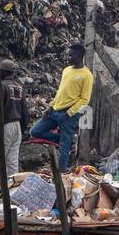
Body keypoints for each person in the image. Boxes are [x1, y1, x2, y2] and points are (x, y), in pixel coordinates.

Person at [28, 43, 92, 171]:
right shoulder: (66, 70)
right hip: (55, 110)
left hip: (69, 114)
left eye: (71, 55)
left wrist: (69, 113)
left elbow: (84, 99)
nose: (68, 58)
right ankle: (67, 140)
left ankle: (61, 173)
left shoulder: (87, 75)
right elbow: (60, 91)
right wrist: (50, 107)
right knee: (35, 131)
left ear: (79, 56)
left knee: (64, 148)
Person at [0, 59, 28, 183]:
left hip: (4, 126)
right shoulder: (19, 86)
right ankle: (13, 188)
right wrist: (22, 129)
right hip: (17, 126)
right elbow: (25, 112)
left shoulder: (2, 86)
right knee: (12, 161)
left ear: (3, 72)